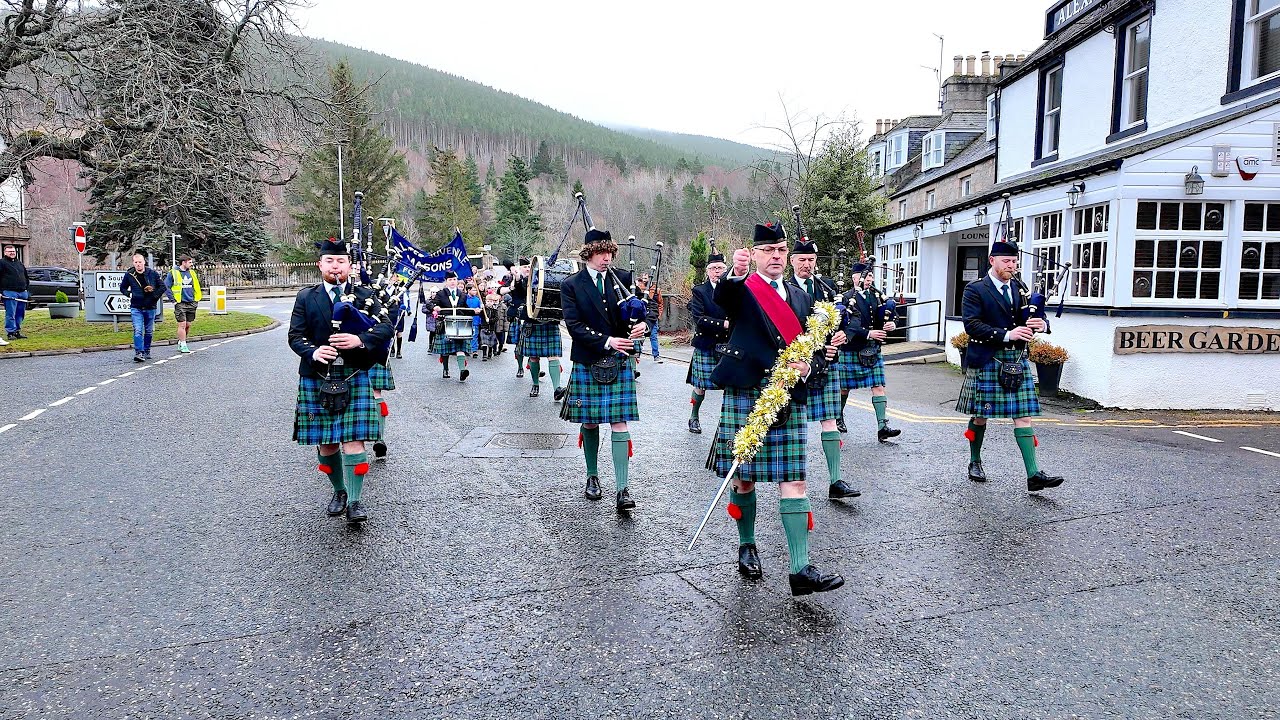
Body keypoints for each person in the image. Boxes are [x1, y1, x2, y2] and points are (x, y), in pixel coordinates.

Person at [708, 222, 845, 597]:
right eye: (768, 250)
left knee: (796, 482)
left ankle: (801, 569)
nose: (776, 257)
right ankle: (747, 544)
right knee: (745, 480)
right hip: (748, 390)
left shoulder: (802, 299)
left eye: (781, 250)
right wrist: (736, 274)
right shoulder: (743, 290)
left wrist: (810, 367)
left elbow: (813, 350)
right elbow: (724, 299)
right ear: (753, 255)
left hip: (787, 396)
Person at [957, 240, 1064, 493]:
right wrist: (1008, 334)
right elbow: (971, 326)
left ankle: (1033, 474)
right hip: (987, 359)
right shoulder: (975, 289)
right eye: (1006, 261)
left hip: (1016, 360)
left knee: (1023, 415)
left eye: (1014, 261)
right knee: (981, 415)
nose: (1011, 266)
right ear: (992, 260)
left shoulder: (1020, 288)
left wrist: (1042, 325)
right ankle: (975, 461)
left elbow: (1034, 316)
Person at [559, 229, 647, 511]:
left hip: (621, 359)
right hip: (589, 358)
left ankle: (623, 489)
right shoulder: (571, 285)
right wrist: (607, 341)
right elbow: (573, 325)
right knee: (591, 422)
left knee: (620, 422)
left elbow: (644, 310)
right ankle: (592, 476)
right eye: (601, 253)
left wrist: (642, 326)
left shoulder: (622, 279)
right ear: (588, 254)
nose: (606, 258)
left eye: (609, 253)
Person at [786, 236, 856, 499]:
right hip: (798, 365)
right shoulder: (783, 288)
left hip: (827, 364)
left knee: (829, 421)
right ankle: (793, 483)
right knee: (794, 424)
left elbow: (851, 318)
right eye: (802, 259)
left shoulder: (827, 288)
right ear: (792, 261)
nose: (807, 264)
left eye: (811, 260)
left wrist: (843, 335)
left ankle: (835, 480)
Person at [837, 266, 901, 445]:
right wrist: (868, 333)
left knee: (878, 385)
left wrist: (892, 325)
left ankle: (883, 427)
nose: (868, 279)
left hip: (873, 349)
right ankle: (838, 416)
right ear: (854, 278)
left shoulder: (879, 296)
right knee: (844, 388)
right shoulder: (846, 298)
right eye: (864, 276)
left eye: (871, 276)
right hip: (852, 348)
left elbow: (893, 316)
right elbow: (845, 325)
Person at [685, 251, 730, 434]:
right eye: (713, 268)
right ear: (708, 271)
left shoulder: (732, 289)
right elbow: (699, 318)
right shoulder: (700, 291)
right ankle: (694, 416)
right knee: (700, 385)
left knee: (731, 385)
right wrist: (724, 324)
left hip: (729, 345)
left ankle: (728, 421)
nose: (717, 271)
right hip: (706, 343)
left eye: (720, 268)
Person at [511, 262, 564, 398]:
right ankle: (535, 384)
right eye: (525, 267)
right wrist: (517, 278)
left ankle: (557, 388)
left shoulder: (549, 280)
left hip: (550, 322)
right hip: (532, 323)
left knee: (553, 356)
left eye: (530, 267)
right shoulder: (522, 283)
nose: (528, 269)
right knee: (534, 357)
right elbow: (520, 292)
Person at [431, 272, 476, 382]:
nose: (452, 282)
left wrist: (475, 311)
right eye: (450, 279)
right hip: (445, 323)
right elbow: (431, 304)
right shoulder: (441, 294)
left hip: (460, 325)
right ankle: (446, 369)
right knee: (446, 350)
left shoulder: (462, 294)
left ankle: (462, 371)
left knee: (460, 348)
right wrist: (435, 307)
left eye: (454, 279)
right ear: (446, 281)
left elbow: (465, 309)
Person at [120, 253, 165, 362]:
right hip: (136, 307)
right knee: (138, 330)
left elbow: (162, 287)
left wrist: (154, 296)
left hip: (150, 307)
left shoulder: (152, 273)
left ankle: (147, 350)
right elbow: (123, 287)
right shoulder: (129, 275)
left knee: (149, 331)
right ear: (133, 263)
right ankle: (138, 352)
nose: (138, 264)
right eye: (136, 262)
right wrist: (129, 294)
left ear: (144, 262)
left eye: (140, 262)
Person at [164, 255, 202, 353]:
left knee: (188, 325)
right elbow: (166, 286)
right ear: (183, 262)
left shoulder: (192, 273)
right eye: (190, 262)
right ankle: (184, 345)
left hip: (191, 302)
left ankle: (181, 341)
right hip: (180, 302)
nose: (192, 264)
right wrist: (173, 300)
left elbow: (196, 286)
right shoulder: (173, 273)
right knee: (182, 324)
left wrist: (196, 299)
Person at [1, 244, 30, 340]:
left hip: (22, 292)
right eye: (10, 251)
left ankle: (17, 331)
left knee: (20, 313)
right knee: (11, 314)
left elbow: (25, 276)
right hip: (9, 292)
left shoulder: (19, 263)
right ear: (5, 252)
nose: (12, 253)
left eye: (13, 251)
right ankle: (10, 332)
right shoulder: (2, 263)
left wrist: (26, 287)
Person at [637, 273, 663, 363]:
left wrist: (657, 315)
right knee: (640, 337)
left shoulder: (656, 290)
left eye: (646, 278)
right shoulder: (639, 289)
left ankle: (656, 355)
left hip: (652, 317)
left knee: (653, 337)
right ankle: (637, 354)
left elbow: (660, 304)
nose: (644, 280)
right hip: (641, 317)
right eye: (643, 278)